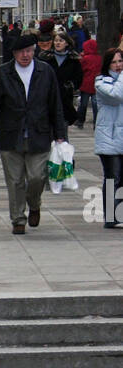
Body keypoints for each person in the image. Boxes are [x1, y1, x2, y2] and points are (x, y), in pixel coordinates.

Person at [0, 32, 67, 234]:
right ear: (14, 53)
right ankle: (18, 218)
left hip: (39, 132)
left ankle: (34, 204)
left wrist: (60, 134)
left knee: (37, 177)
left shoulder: (45, 71)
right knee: (15, 180)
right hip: (11, 133)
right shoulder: (1, 72)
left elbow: (55, 104)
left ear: (34, 51)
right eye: (20, 52)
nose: (25, 55)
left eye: (28, 51)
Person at [93, 47, 123, 229]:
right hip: (108, 137)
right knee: (112, 176)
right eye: (114, 62)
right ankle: (110, 215)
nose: (118, 65)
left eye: (120, 61)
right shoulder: (101, 82)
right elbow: (116, 96)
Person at [39, 29, 82, 125]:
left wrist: (71, 86)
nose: (58, 43)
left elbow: (78, 77)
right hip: (48, 95)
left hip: (65, 97)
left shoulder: (73, 59)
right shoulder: (45, 58)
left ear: (67, 43)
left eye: (61, 41)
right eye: (56, 40)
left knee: (62, 125)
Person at [76, 33, 100, 128]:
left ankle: (80, 121)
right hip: (96, 84)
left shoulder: (85, 59)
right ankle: (96, 122)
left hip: (85, 84)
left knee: (83, 104)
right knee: (95, 105)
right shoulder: (99, 58)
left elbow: (81, 69)